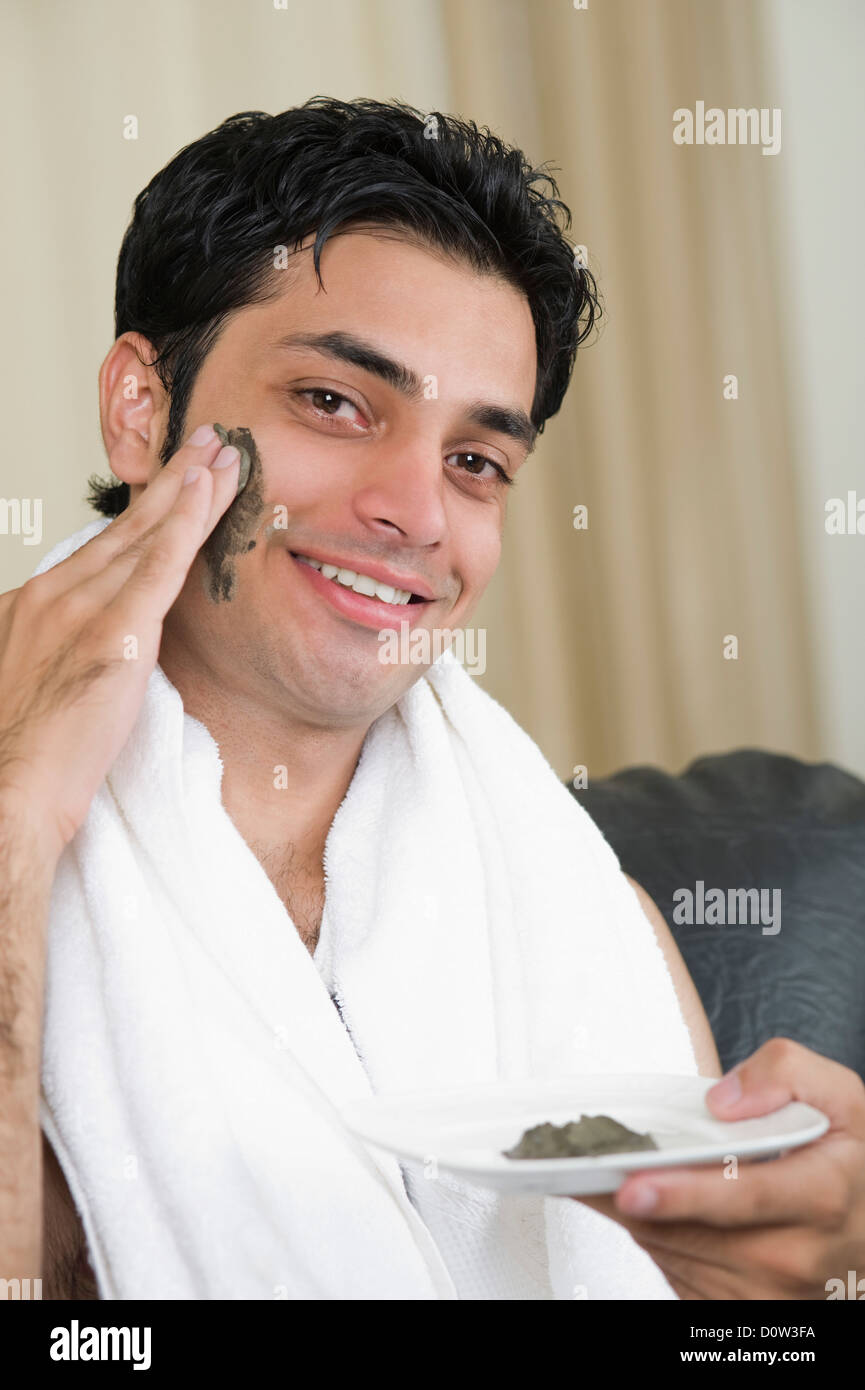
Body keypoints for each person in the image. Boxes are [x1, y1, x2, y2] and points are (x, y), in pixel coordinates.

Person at [1, 98, 862, 1301]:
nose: (416, 511)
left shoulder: (584, 913)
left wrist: (788, 1297)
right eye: (336, 402)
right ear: (143, 409)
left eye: (475, 462)